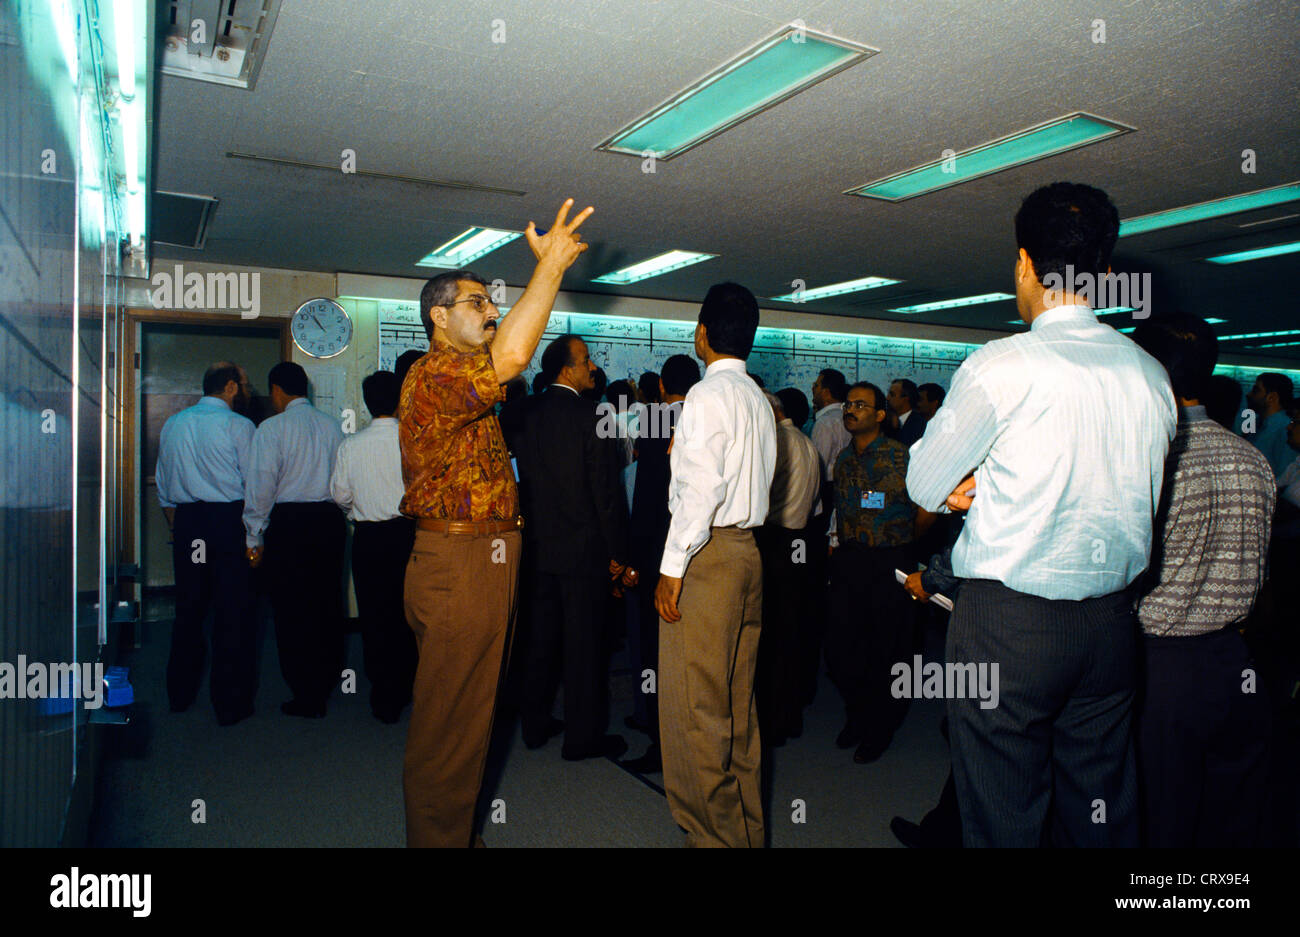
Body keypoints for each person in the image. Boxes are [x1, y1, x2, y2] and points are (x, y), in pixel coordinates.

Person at [906, 182, 1177, 847]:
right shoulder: (1151, 374)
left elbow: (923, 483)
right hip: (1111, 628)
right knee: (1101, 811)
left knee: (1004, 815)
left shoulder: (1000, 366)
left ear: (1025, 262)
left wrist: (960, 483)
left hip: (1009, 626)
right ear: (1106, 271)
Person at [398, 198, 592, 848]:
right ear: (438, 315)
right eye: (477, 301)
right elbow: (510, 358)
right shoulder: (434, 375)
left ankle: (452, 835)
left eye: (490, 301)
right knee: (449, 727)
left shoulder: (458, 382)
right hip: (461, 566)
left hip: (480, 562)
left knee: (466, 719)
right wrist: (551, 267)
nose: (491, 310)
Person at [1130, 315, 1275, 847]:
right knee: (1230, 815)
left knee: (1160, 814)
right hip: (1237, 663)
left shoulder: (1153, 458)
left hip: (1161, 667)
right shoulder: (1253, 459)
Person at [654, 282, 776, 848]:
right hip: (747, 554)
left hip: (707, 556)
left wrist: (671, 567)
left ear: (701, 333)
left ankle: (716, 840)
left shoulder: (706, 396)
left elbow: (700, 492)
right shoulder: (757, 397)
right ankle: (746, 834)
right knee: (736, 710)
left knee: (695, 713)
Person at [513, 334, 635, 760]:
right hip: (584, 553)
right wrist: (619, 552)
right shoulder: (593, 416)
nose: (593, 368)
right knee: (584, 647)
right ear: (566, 369)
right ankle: (582, 738)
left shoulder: (522, 413)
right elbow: (606, 494)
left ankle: (534, 724)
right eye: (586, 360)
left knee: (539, 640)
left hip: (535, 547)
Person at [826, 382, 931, 764]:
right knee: (842, 647)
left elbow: (928, 508)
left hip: (891, 561)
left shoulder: (902, 456)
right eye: (848, 403)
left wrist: (905, 541)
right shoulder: (843, 459)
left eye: (860, 404)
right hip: (851, 561)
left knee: (887, 649)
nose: (850, 410)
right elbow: (842, 508)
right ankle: (857, 714)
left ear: (880, 415)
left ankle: (879, 727)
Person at [155, 361, 256, 726]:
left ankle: (179, 695)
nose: (247, 391)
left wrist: (178, 528)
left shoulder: (174, 423)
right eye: (244, 384)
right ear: (230, 387)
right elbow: (254, 486)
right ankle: (229, 705)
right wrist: (255, 535)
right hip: (228, 523)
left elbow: (164, 484)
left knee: (189, 610)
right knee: (231, 613)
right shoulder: (239, 426)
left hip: (189, 524)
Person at [244, 361, 346, 719]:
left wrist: (254, 535)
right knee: (327, 604)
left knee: (291, 608)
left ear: (276, 390)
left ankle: (304, 692)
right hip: (329, 521)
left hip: (289, 525)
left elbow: (261, 486)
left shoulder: (271, 429)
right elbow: (342, 483)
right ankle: (325, 682)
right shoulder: (332, 426)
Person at [625, 354, 699, 773]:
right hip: (700, 552)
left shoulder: (655, 423)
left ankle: (660, 740)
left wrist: (633, 562)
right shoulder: (706, 418)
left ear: (661, 388)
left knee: (654, 651)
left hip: (658, 554)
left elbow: (647, 500)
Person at [329, 370, 415, 724]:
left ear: (366, 404)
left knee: (374, 615)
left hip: (368, 539)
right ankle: (409, 686)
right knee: (409, 614)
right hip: (408, 536)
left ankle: (383, 695)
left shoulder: (350, 445)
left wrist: (359, 512)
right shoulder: (411, 442)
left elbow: (340, 496)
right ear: (400, 401)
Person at [756, 390, 820, 746]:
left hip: (775, 542)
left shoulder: (777, 442)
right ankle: (790, 714)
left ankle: (774, 720)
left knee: (771, 636)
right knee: (791, 632)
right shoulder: (807, 444)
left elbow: (761, 498)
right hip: (800, 543)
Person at [1241, 372, 1295, 477]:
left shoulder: (1286, 428)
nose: (1249, 394)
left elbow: (1284, 474)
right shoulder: (1256, 423)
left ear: (1272, 397)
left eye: (1256, 390)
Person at [886, 378, 927, 447]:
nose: (887, 398)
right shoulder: (885, 421)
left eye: (892, 395)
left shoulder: (919, 425)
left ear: (906, 398)